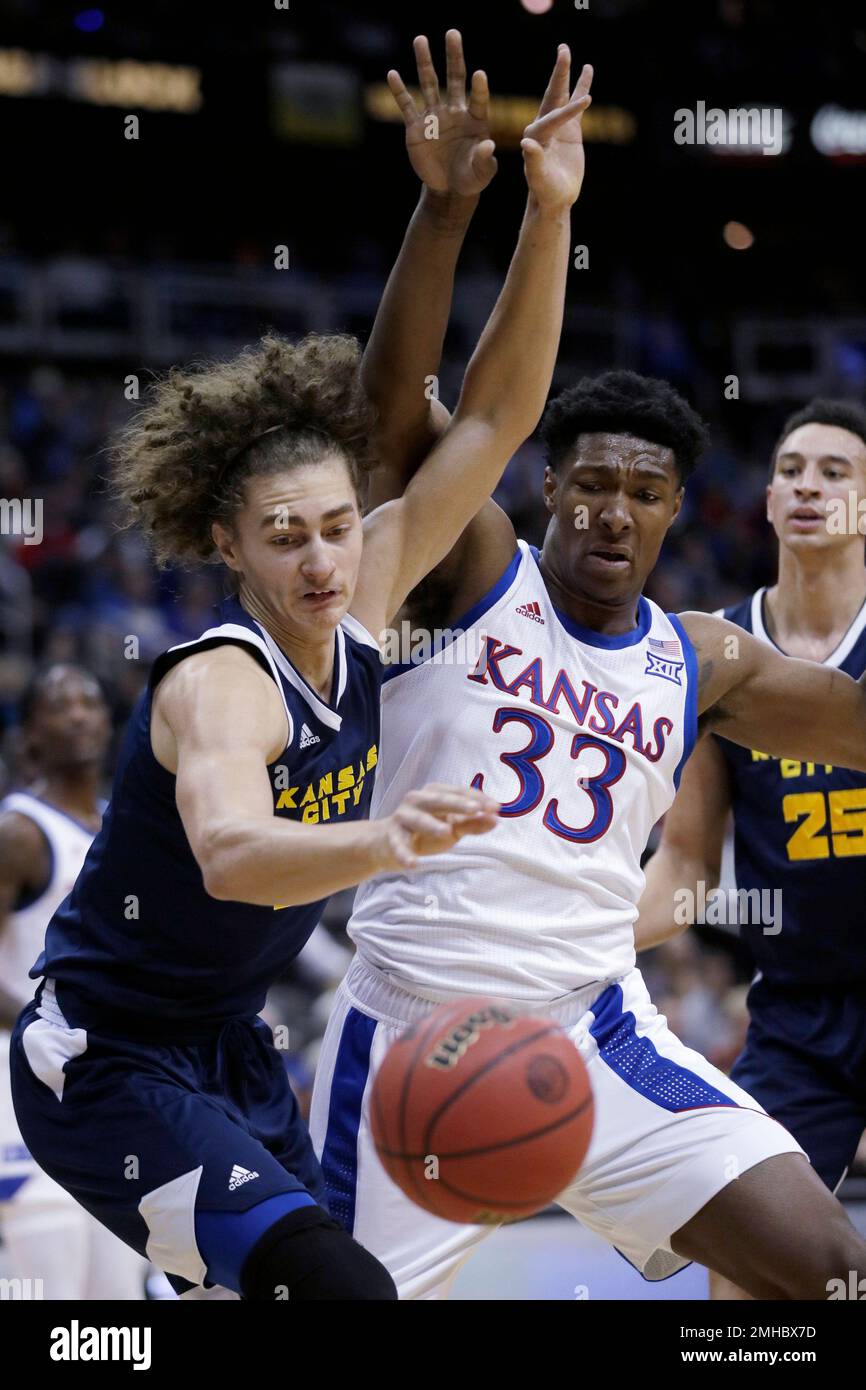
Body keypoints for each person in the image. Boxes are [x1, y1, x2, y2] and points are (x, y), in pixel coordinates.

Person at [9, 35, 592, 1301]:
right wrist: (386, 840)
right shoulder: (218, 681)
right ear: (226, 543)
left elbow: (490, 423)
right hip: (106, 1055)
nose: (323, 558)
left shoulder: (372, 586)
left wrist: (540, 213)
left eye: (336, 524)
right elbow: (231, 851)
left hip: (227, 1044)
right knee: (340, 1290)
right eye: (285, 536)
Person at [307, 39, 866, 1300]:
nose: (613, 513)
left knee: (828, 1272)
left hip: (594, 1027)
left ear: (677, 513)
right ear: (548, 488)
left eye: (644, 493)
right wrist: (452, 208)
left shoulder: (697, 656)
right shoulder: (472, 568)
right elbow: (396, 415)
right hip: (415, 1032)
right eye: (593, 485)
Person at [635, 398, 866, 1300]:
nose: (809, 484)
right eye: (793, 470)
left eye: (836, 471)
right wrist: (595, 937)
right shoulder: (716, 655)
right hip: (798, 1017)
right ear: (767, 501)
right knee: (746, 1276)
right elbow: (688, 864)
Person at [0, 665, 146, 1299]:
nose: (79, 714)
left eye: (89, 701)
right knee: (46, 1289)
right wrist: (54, 1024)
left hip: (103, 1088)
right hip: (19, 1090)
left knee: (116, 1299)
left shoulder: (122, 828)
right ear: (29, 735)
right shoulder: (19, 832)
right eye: (59, 706)